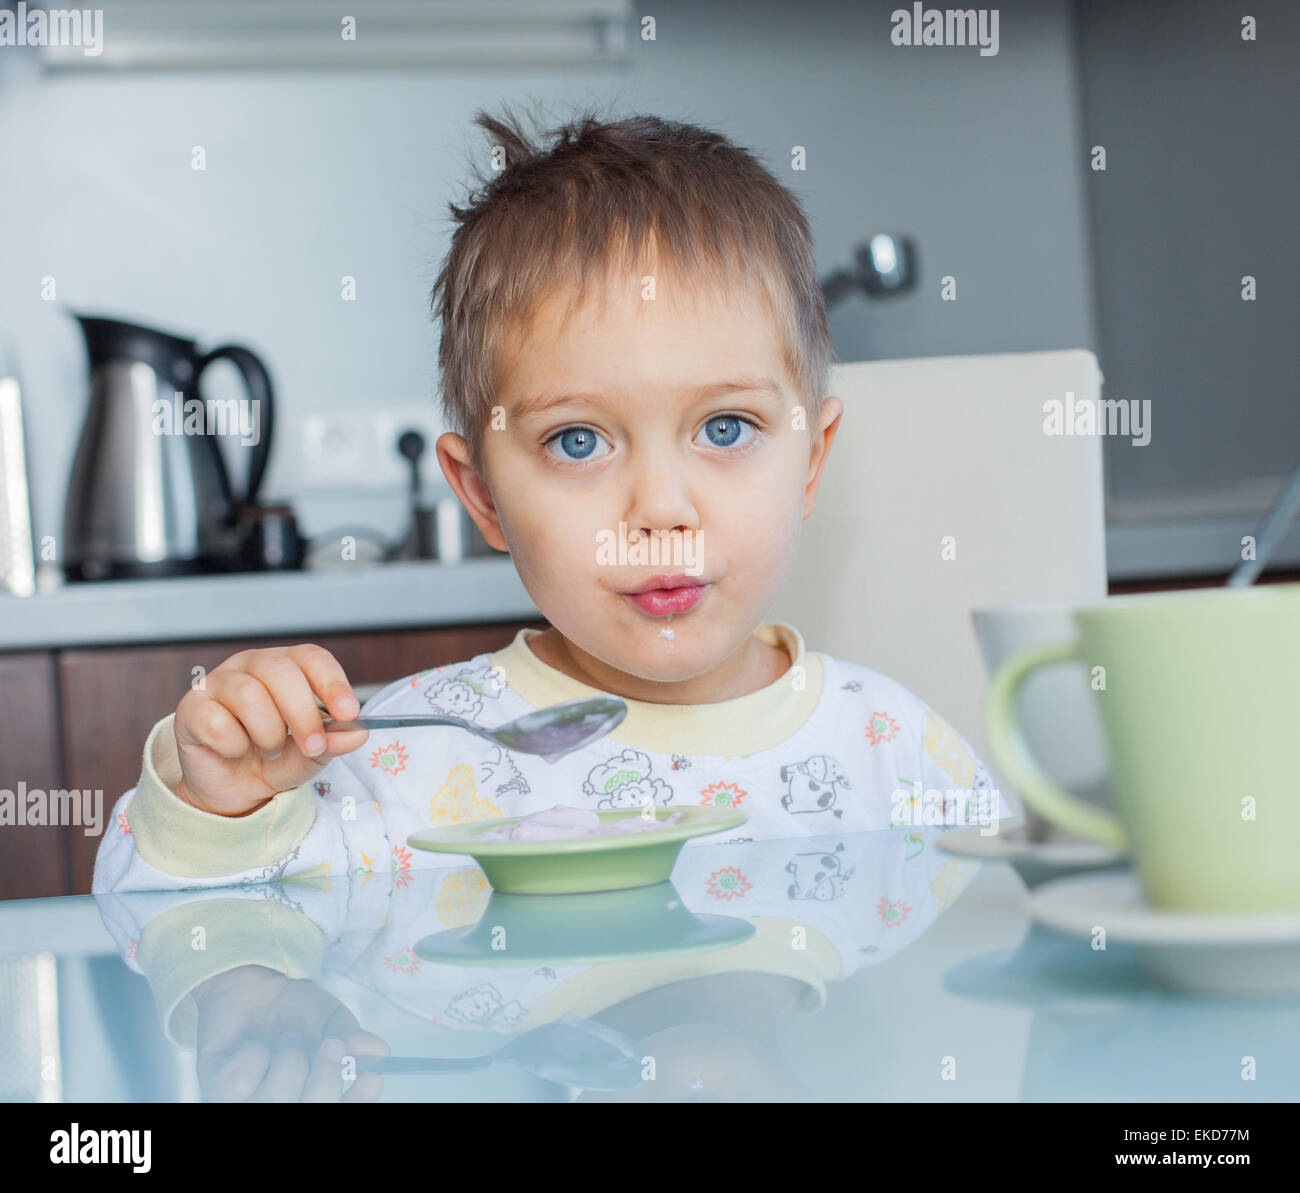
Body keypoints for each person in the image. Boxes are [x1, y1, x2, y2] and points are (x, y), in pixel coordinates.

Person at [94, 105, 1010, 898]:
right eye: (579, 441)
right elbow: (173, 937)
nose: (661, 509)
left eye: (725, 429)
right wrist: (222, 804)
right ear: (482, 495)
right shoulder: (401, 763)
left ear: (811, 461)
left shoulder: (897, 752)